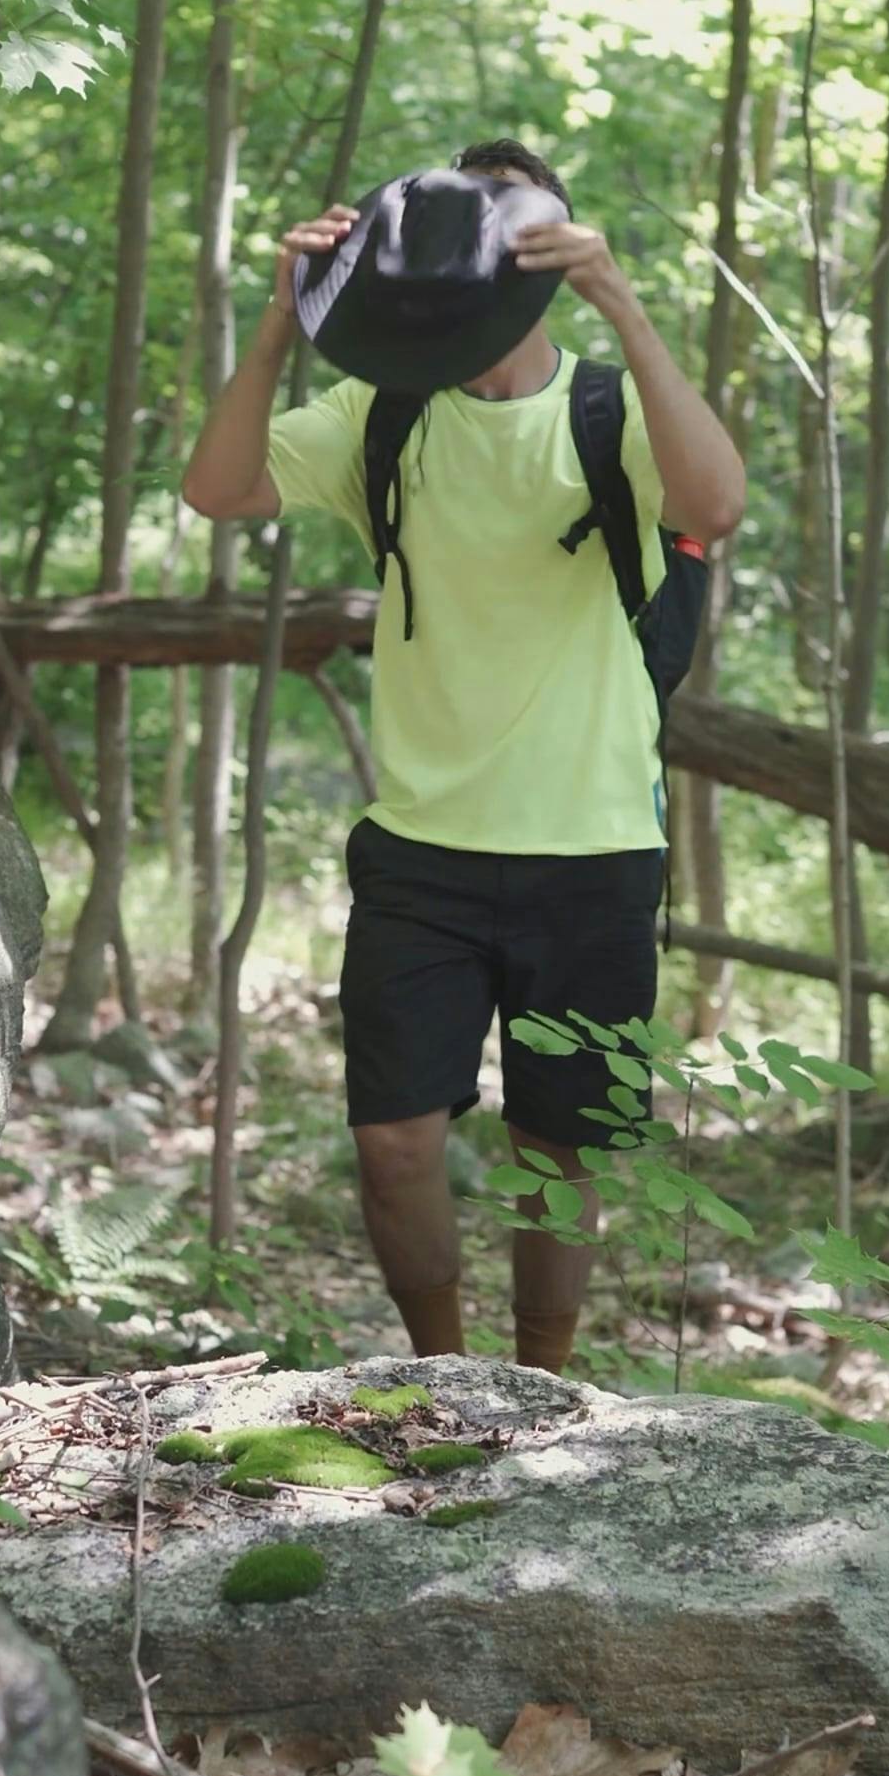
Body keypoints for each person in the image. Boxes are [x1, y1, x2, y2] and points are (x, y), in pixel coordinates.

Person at [181, 138, 746, 1374]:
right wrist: (284, 321)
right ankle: (440, 1382)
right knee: (395, 1139)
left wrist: (626, 308)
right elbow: (219, 492)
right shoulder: (380, 416)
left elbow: (712, 506)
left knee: (563, 1153)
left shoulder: (609, 413)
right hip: (420, 850)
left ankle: (539, 1388)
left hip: (593, 850)